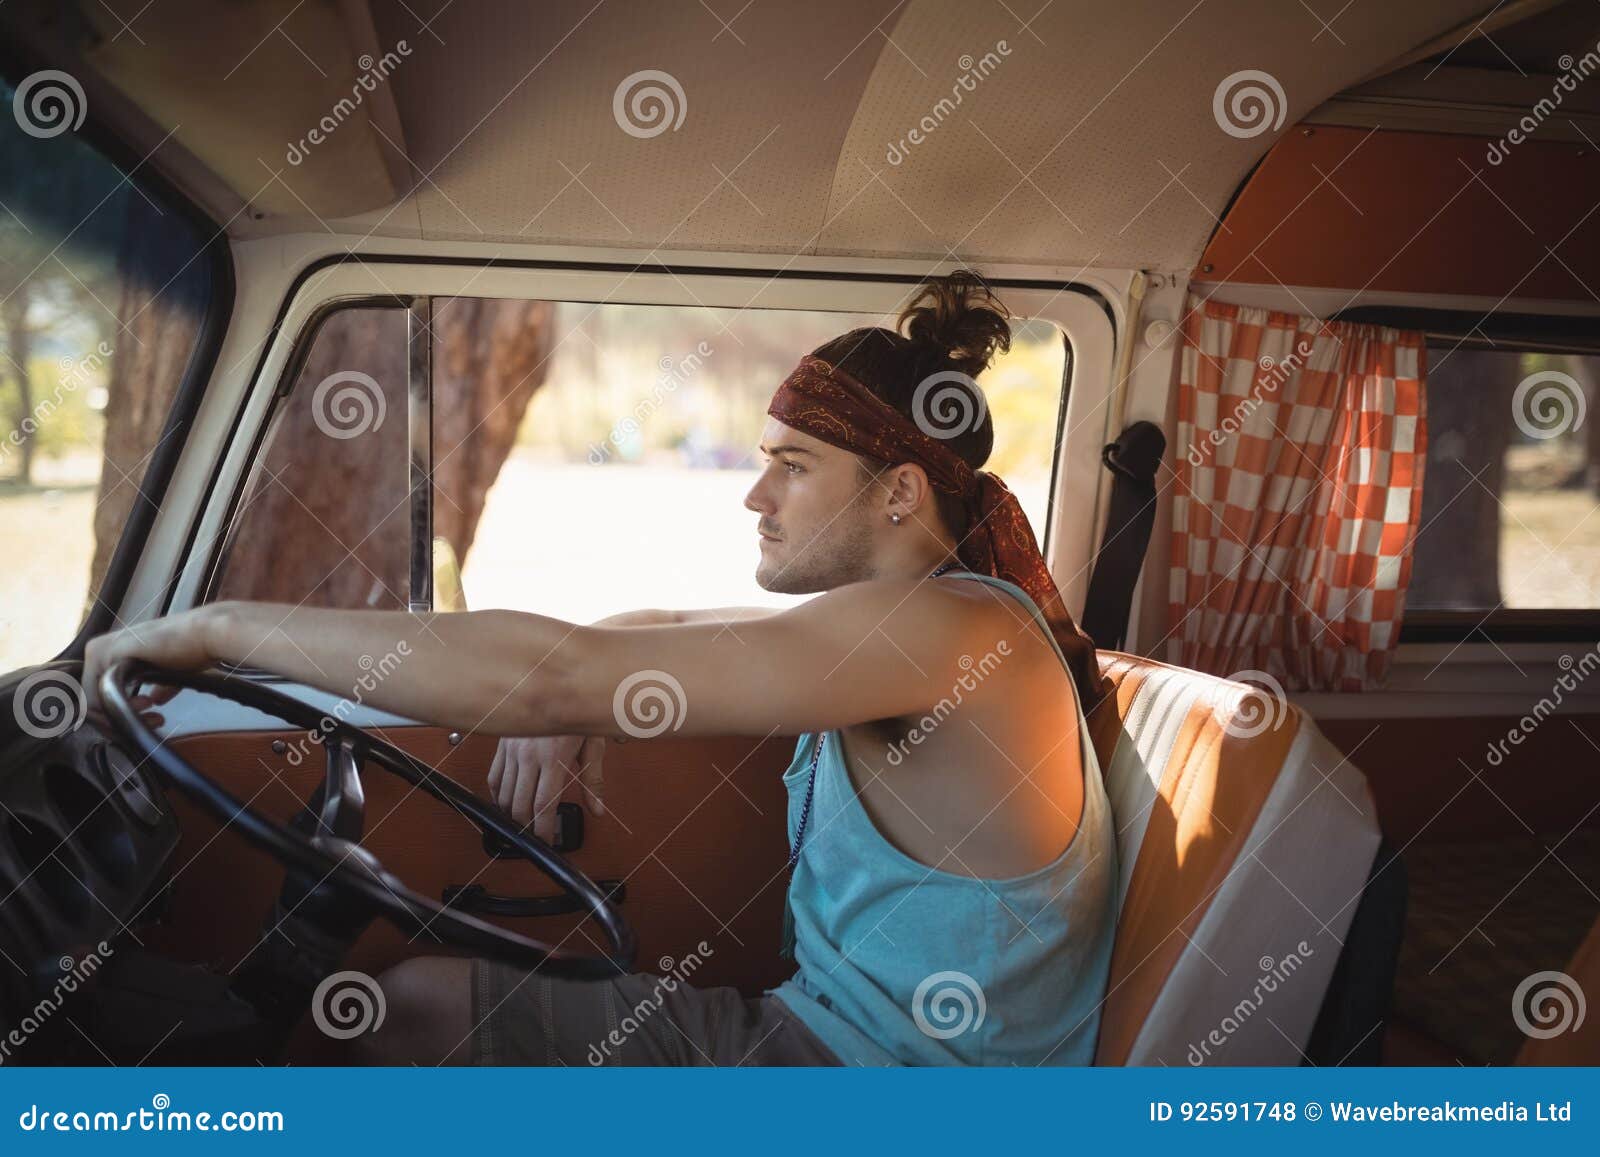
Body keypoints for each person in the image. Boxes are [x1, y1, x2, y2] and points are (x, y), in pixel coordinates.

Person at [84, 270, 1119, 1067]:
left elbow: (567, 672)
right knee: (408, 1005)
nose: (754, 498)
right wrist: (585, 685)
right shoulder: (903, 617)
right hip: (820, 1036)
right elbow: (653, 628)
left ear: (897, 492)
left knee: (393, 1020)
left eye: (791, 466)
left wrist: (215, 629)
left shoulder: (948, 634)